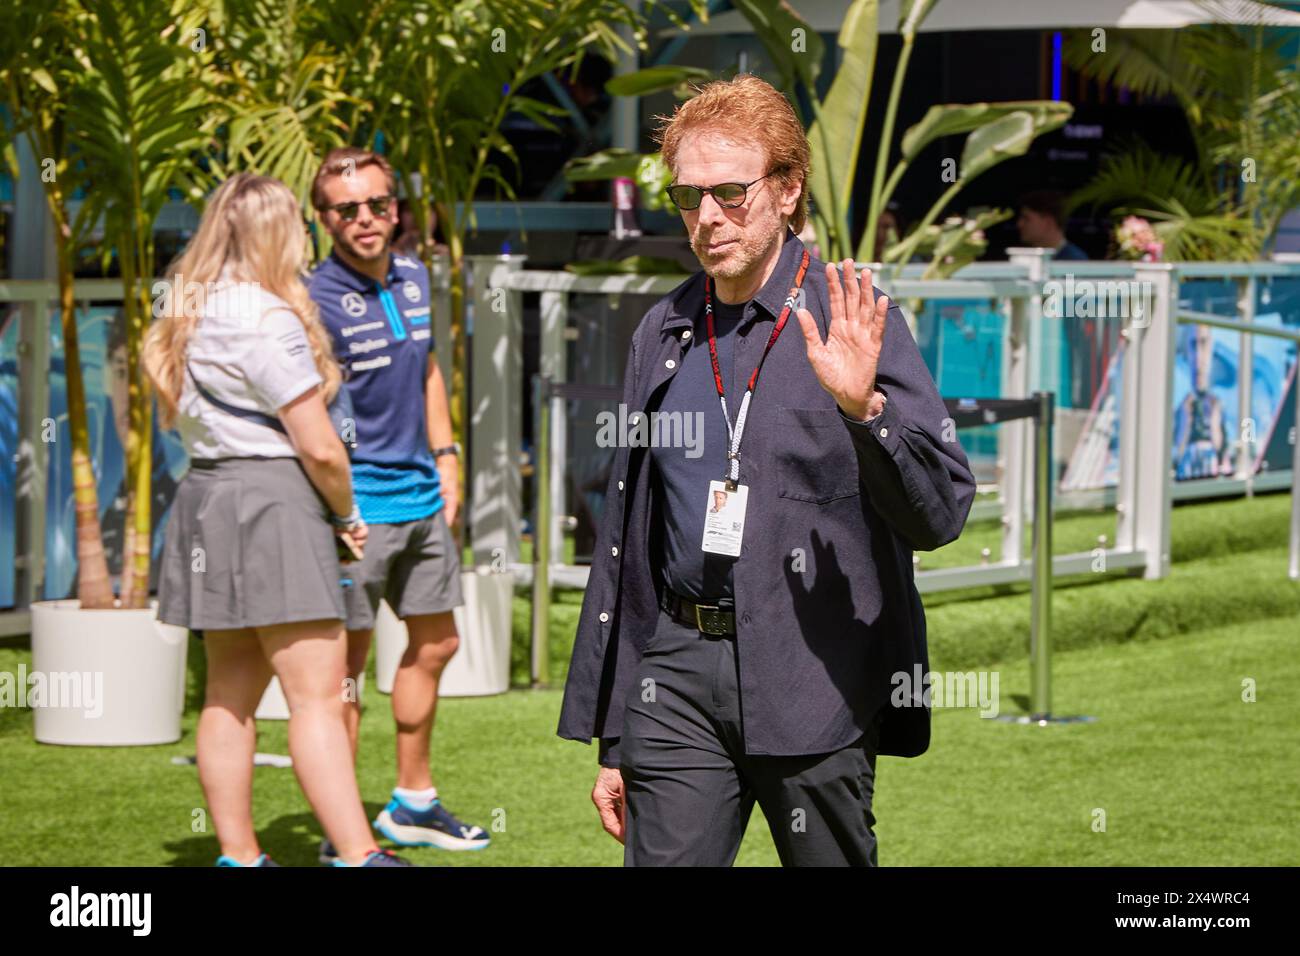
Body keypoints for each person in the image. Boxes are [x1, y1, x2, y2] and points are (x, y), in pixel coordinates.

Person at [557, 74, 976, 866]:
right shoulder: (664, 329)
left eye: (729, 192)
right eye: (687, 197)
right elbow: (631, 544)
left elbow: (940, 513)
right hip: (676, 670)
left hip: (814, 669)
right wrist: (618, 727)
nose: (707, 217)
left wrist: (866, 413)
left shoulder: (853, 316)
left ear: (786, 191)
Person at [145, 173, 411, 867]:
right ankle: (359, 856)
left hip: (206, 498)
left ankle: (239, 855)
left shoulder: (188, 310)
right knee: (317, 698)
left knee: (227, 696)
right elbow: (319, 444)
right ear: (276, 230)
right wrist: (348, 513)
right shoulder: (267, 315)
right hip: (273, 501)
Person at [308, 147, 488, 859]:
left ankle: (412, 801)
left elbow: (430, 369)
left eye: (378, 205)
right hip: (355, 511)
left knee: (438, 641)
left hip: (421, 496)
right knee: (343, 672)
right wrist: (334, 504)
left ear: (396, 210)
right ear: (324, 219)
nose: (365, 220)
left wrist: (449, 459)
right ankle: (342, 830)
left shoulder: (415, 275)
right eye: (346, 210)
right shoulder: (312, 296)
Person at [1017, 189, 1088, 260]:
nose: (1019, 224)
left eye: (1026, 219)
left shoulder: (1074, 261)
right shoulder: (1029, 259)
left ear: (1048, 222)